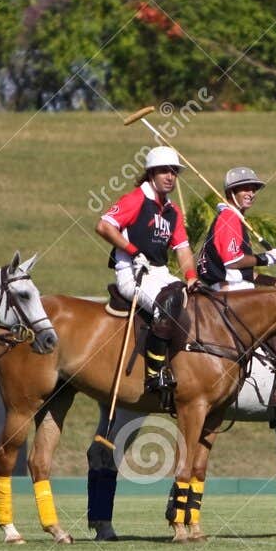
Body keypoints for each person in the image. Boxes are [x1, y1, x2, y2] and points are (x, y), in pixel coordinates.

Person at [96, 145, 197, 393]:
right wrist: (132, 251)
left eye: (173, 171)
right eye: (164, 171)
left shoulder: (173, 211)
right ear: (151, 173)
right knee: (169, 302)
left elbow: (182, 249)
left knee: (195, 300)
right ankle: (154, 374)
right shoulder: (136, 199)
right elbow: (104, 226)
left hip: (159, 272)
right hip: (132, 272)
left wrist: (192, 277)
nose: (170, 176)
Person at [197, 166, 276, 292]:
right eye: (245, 189)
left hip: (236, 287)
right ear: (230, 192)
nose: (251, 194)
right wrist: (267, 258)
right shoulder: (229, 217)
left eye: (253, 190)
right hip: (230, 292)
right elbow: (232, 261)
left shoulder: (233, 218)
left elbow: (240, 274)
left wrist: (274, 281)